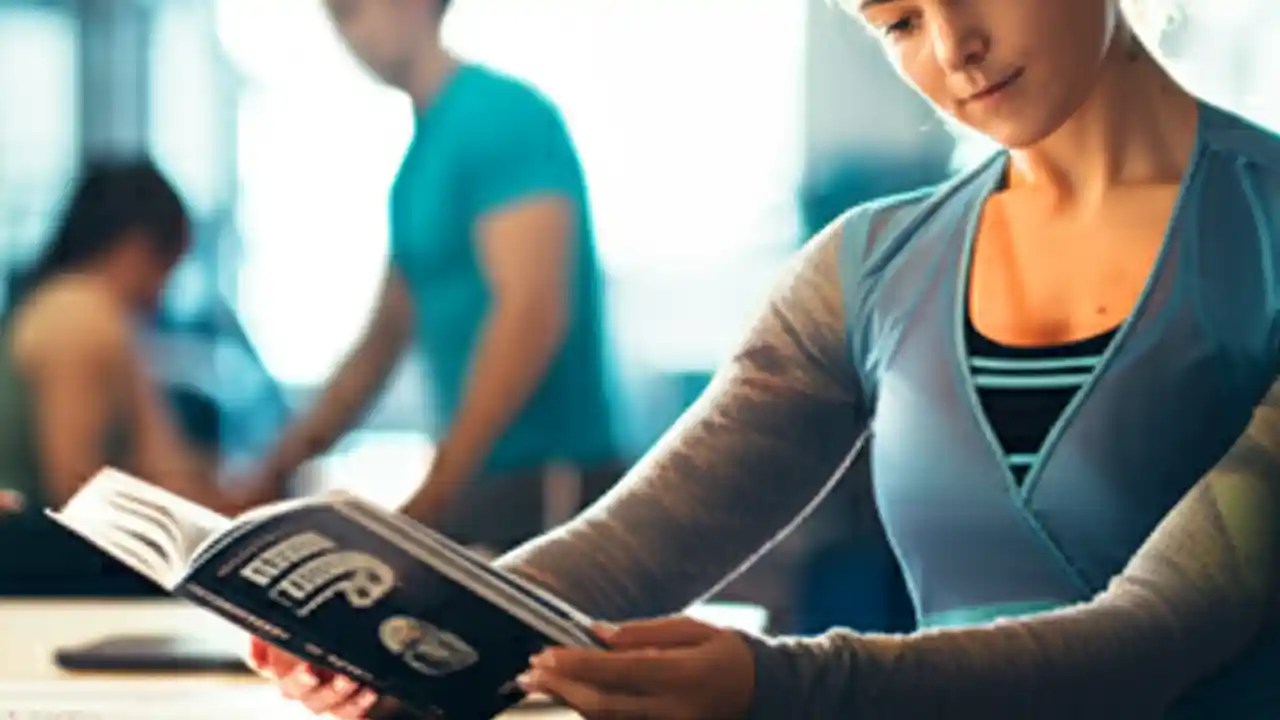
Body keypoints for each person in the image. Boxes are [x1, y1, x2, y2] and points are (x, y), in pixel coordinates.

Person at [252, 0, 1280, 717]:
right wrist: (409, 639)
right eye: (898, 22)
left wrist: (776, 686)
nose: (954, 48)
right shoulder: (868, 267)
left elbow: (1163, 634)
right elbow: (638, 548)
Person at [245, 0, 621, 551]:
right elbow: (380, 345)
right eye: (335, 15)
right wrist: (269, 475)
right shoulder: (418, 164)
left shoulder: (502, 116)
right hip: (482, 484)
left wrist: (438, 489)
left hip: (548, 481)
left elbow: (532, 312)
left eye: (352, 8)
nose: (346, 30)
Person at [0, 158, 253, 515]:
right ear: (137, 248)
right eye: (168, 268)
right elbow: (73, 491)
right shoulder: (78, 316)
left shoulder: (94, 314)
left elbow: (162, 463)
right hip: (35, 539)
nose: (163, 293)